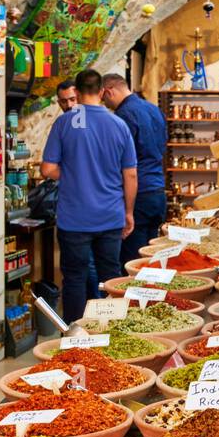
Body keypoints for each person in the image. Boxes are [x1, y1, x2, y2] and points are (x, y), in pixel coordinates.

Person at [40, 69, 137, 322]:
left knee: (74, 278)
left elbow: (48, 169)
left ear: (78, 92)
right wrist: (128, 212)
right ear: (103, 92)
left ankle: (74, 338)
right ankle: (111, 333)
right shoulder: (119, 124)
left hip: (73, 218)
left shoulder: (65, 122)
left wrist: (73, 172)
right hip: (110, 215)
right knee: (110, 278)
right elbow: (131, 175)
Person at [101, 73, 168, 267]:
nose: (105, 103)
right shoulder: (154, 109)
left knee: (133, 262)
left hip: (137, 192)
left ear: (109, 91)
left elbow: (121, 160)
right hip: (157, 191)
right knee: (152, 258)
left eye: (104, 98)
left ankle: (136, 298)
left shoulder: (123, 116)